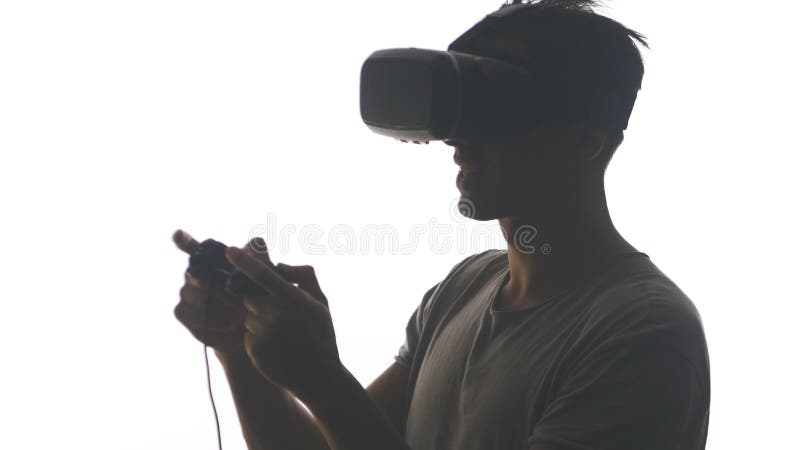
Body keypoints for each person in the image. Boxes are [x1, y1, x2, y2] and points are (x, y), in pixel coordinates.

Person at [173, 1, 710, 449]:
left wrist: (324, 383)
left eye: (498, 111)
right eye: (461, 111)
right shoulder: (464, 289)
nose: (459, 140)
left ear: (583, 140)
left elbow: (344, 418)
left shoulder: (642, 335)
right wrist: (237, 350)